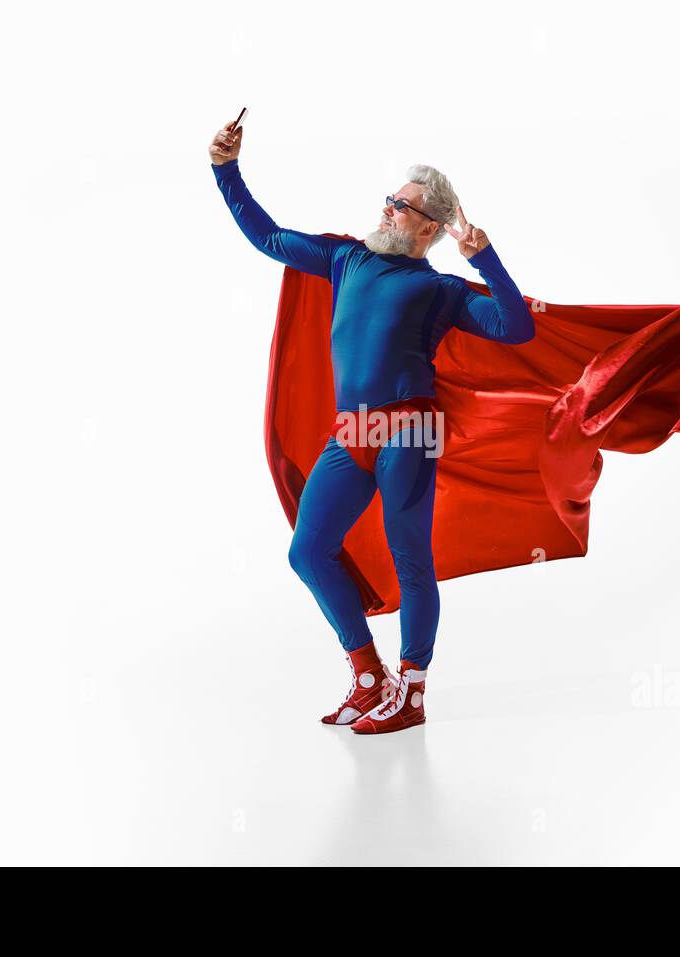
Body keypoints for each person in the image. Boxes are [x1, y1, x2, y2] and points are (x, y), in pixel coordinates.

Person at [209, 116, 535, 734]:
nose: (386, 210)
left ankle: (411, 691)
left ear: (430, 227)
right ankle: (368, 675)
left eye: (401, 206)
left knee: (410, 556)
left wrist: (485, 259)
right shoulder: (346, 259)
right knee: (308, 551)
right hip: (351, 433)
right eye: (388, 200)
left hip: (411, 429)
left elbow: (516, 328)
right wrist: (226, 170)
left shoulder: (440, 288)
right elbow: (270, 238)